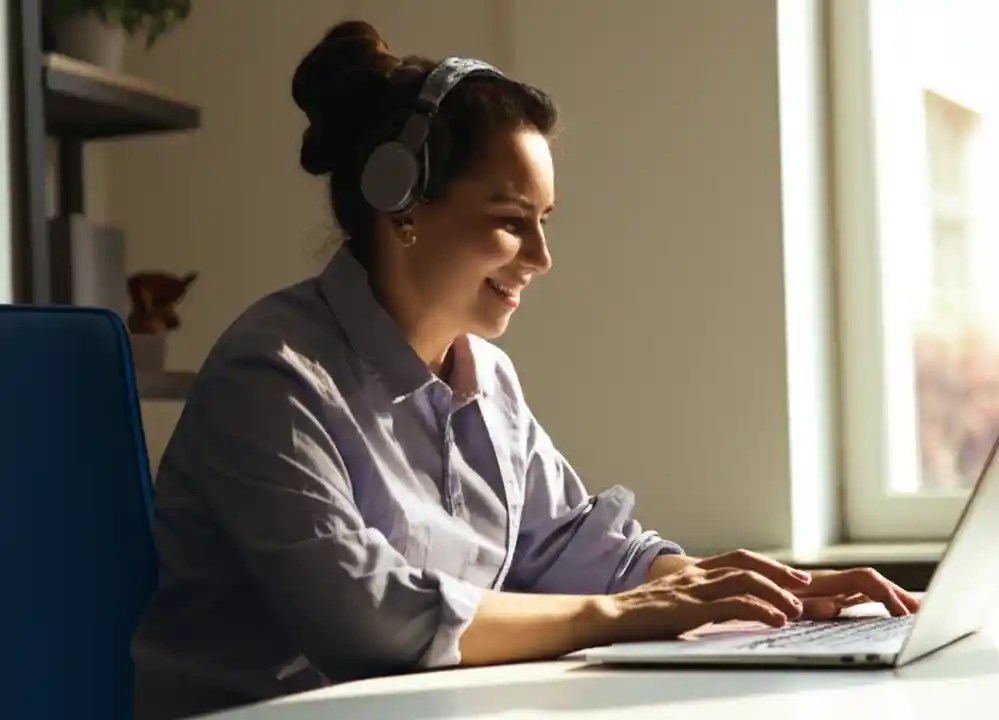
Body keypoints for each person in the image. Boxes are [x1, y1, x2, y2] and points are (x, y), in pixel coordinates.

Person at [131, 20, 920, 720]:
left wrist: (750, 591)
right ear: (399, 205)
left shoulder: (485, 376)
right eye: (511, 222)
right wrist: (624, 615)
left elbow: (571, 545)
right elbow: (368, 618)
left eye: (543, 222)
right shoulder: (272, 377)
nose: (541, 258)